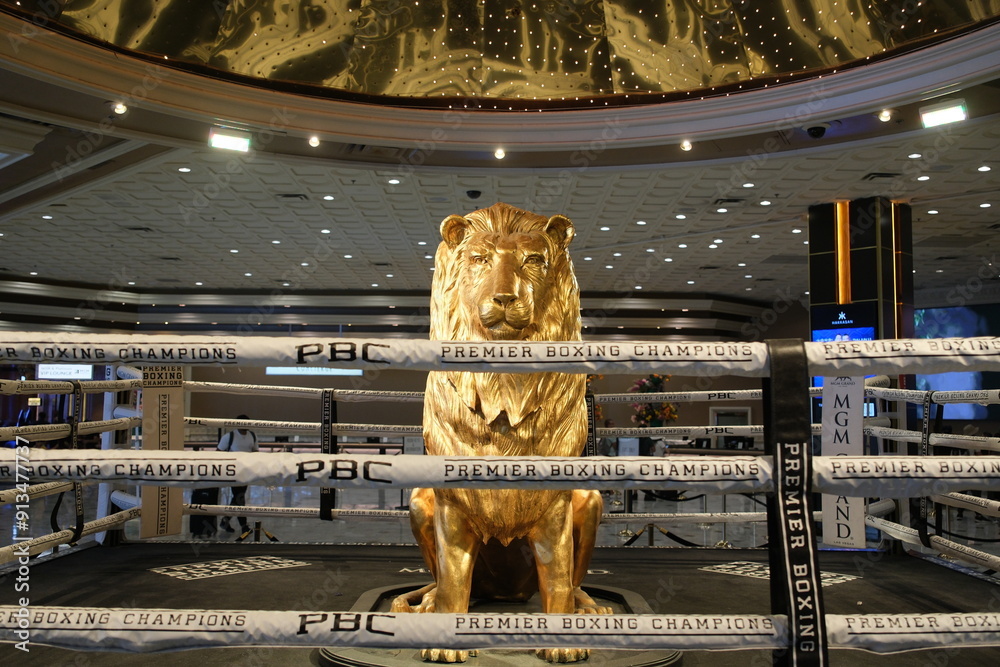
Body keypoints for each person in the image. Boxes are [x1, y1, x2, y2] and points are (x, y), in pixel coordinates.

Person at [217, 414, 257, 534]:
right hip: (233, 472)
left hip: (246, 472)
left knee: (239, 497)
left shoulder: (252, 436)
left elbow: (255, 452)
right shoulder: (229, 436)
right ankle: (243, 526)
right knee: (239, 497)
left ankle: (226, 521)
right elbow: (218, 452)